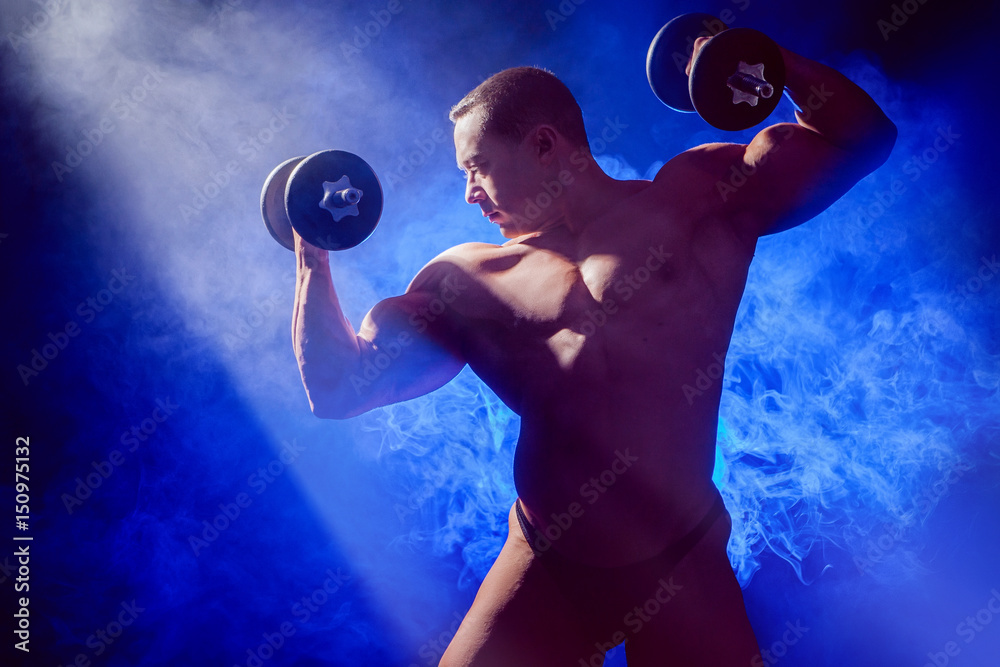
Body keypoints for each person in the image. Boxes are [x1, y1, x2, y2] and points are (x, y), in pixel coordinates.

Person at [289, 33, 896, 667]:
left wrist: (770, 56)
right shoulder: (464, 281)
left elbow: (862, 140)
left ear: (545, 145)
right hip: (546, 563)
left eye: (477, 166)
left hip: (680, 562)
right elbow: (338, 390)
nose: (469, 192)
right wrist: (312, 251)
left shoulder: (695, 200)